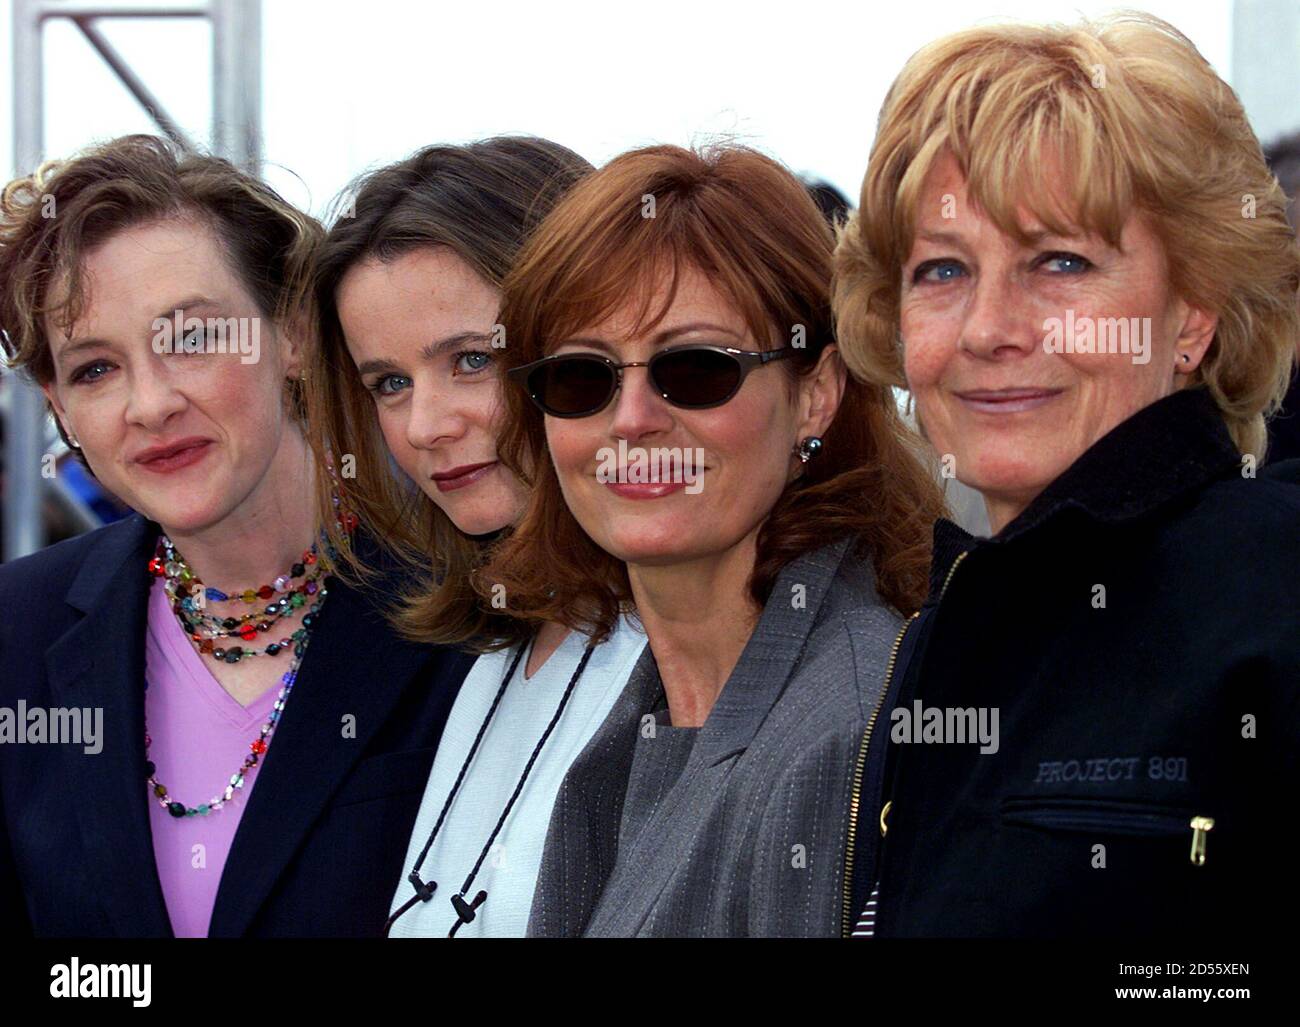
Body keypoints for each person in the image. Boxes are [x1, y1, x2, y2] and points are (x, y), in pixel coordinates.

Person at [832, 13, 1300, 937]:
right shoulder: (940, 628)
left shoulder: (1278, 590)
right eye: (942, 270)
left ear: (1195, 311)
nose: (989, 327)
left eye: (1060, 261)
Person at [0, 135, 472, 937]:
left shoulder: (466, 600)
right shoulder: (19, 626)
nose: (149, 405)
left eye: (190, 339)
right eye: (94, 369)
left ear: (290, 332)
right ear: (58, 406)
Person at [481, 143, 946, 936]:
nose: (631, 419)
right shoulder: (656, 710)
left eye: (695, 368)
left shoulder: (850, 730)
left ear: (816, 397)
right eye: (582, 377)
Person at [309, 137, 649, 937]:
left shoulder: (721, 649)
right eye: (389, 383)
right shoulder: (485, 652)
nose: (426, 425)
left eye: (470, 360)